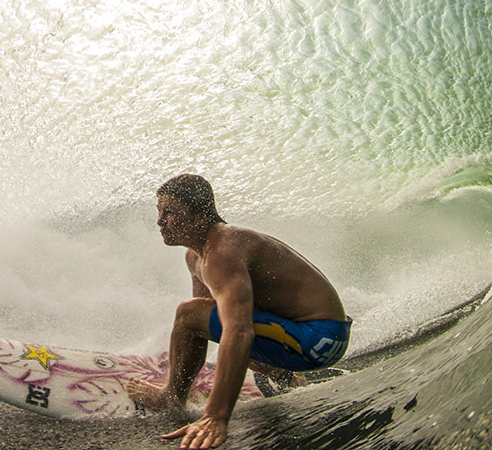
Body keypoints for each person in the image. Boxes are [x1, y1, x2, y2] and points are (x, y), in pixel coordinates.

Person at [127, 174, 350, 449]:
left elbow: (236, 330)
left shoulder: (222, 251)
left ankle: (170, 398)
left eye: (170, 212)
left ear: (199, 217)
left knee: (194, 316)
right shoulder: (196, 256)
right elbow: (209, 326)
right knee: (213, 330)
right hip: (311, 336)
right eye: (159, 211)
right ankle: (286, 377)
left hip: (319, 339)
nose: (160, 221)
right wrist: (179, 355)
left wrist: (216, 417)